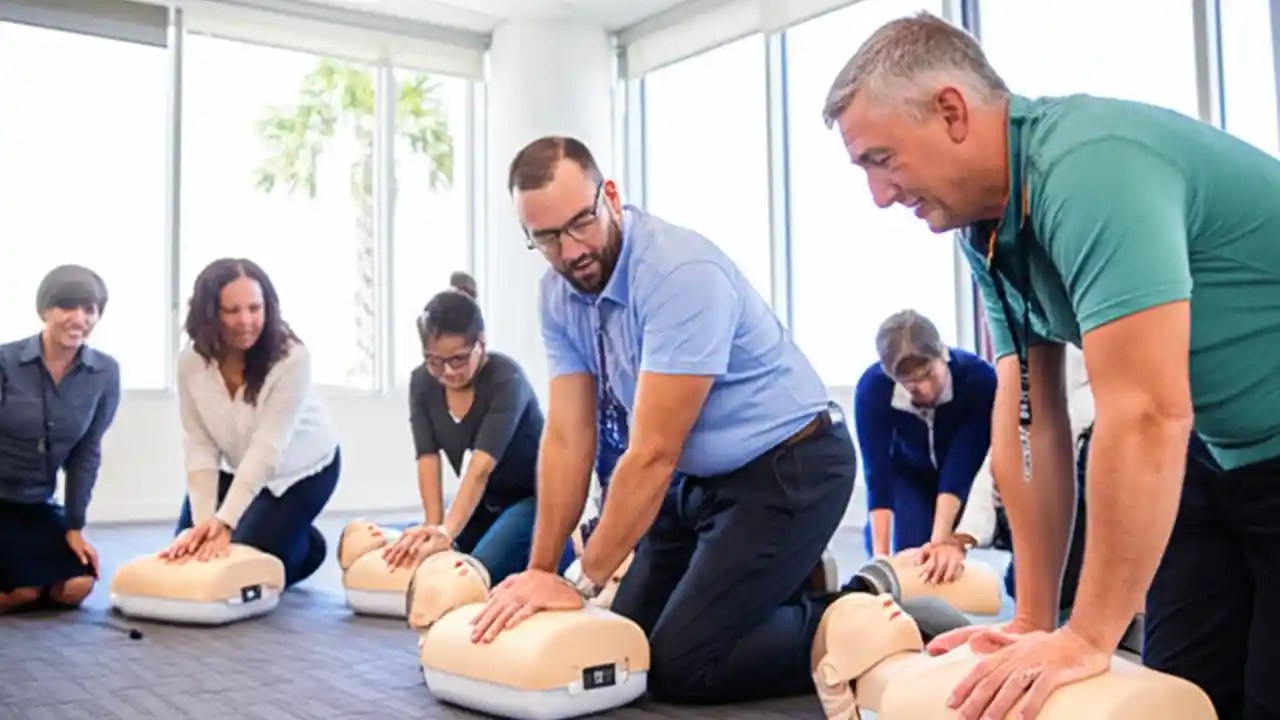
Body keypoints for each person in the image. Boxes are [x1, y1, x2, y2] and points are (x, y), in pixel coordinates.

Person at [822, 12, 1280, 720]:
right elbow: (1032, 417)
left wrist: (1089, 634)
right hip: (1215, 457)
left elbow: (1147, 411)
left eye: (881, 160)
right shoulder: (987, 226)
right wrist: (1036, 618)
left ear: (951, 112)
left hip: (1241, 445)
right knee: (1179, 695)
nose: (880, 196)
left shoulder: (1090, 170)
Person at [468, 135, 861, 705]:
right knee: (629, 644)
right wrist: (539, 572)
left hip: (790, 467)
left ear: (610, 195)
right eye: (547, 238)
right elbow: (567, 439)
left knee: (684, 666)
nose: (572, 250)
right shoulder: (558, 295)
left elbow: (653, 453)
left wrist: (577, 584)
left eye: (581, 222)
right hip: (700, 483)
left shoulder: (679, 273)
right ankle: (770, 586)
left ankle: (855, 613)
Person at [381, 272, 574, 582]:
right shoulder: (422, 382)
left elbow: (480, 467)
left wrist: (447, 532)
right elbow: (427, 457)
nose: (446, 371)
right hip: (484, 505)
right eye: (434, 360)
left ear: (480, 344)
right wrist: (434, 526)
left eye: (457, 360)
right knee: (414, 553)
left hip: (534, 502)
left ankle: (566, 552)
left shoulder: (505, 379)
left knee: (468, 574)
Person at [160, 258, 339, 589]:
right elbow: (198, 443)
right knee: (192, 553)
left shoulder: (291, 358)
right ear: (210, 313)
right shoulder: (191, 362)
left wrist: (225, 523)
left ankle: (305, 544)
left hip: (300, 473)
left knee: (243, 561)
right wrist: (204, 525)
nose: (246, 321)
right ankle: (267, 523)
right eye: (232, 311)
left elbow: (267, 449)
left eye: (255, 308)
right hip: (238, 466)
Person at [0, 265, 120, 613]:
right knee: (23, 592)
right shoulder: (5, 362)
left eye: (89, 309)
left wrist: (74, 526)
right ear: (45, 311)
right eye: (67, 306)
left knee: (75, 588)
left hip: (37, 504)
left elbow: (86, 454)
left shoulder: (104, 373)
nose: (78, 318)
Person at [854, 309, 995, 567]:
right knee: (908, 554)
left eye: (929, 374)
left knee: (937, 557)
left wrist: (939, 544)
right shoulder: (872, 389)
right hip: (910, 476)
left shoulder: (979, 379)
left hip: (969, 481)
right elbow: (878, 475)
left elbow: (962, 464)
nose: (925, 390)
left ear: (942, 354)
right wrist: (880, 560)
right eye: (910, 383)